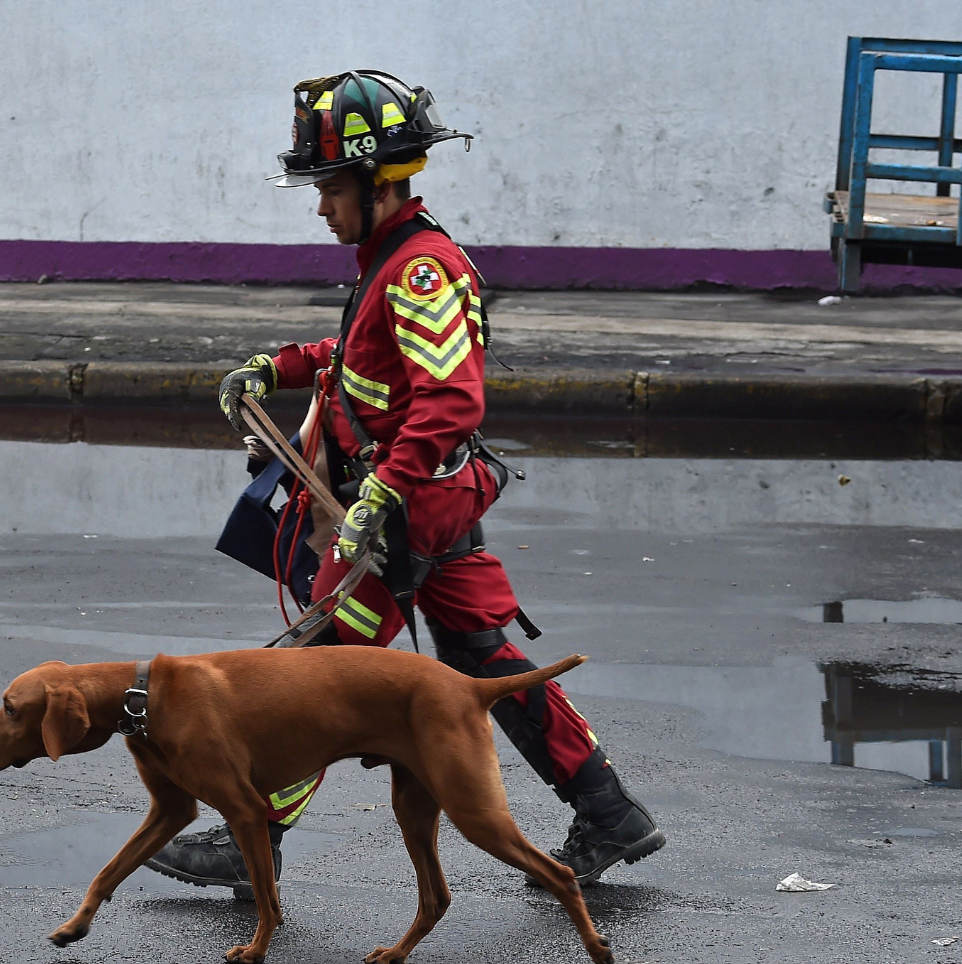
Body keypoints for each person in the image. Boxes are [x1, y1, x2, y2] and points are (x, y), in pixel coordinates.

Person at [145, 70, 664, 895]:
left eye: (328, 189)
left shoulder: (419, 269)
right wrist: (275, 365)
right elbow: (360, 357)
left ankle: (255, 838)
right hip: (425, 505)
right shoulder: (391, 260)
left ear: (375, 182)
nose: (320, 208)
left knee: (317, 673)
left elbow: (452, 398)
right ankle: (609, 810)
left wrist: (384, 488)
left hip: (399, 516)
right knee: (483, 659)